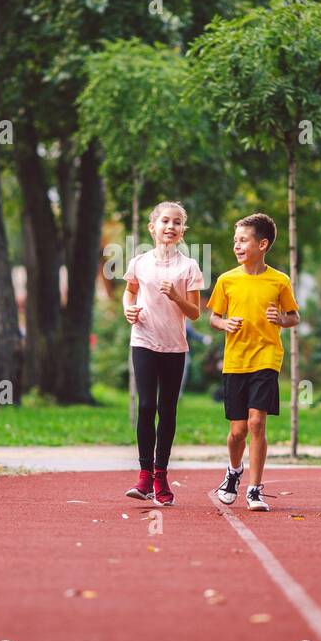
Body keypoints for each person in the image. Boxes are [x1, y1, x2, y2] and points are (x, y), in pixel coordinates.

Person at [208, 213, 300, 512]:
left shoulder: (279, 280)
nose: (237, 245)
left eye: (243, 240)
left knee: (257, 423)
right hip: (236, 361)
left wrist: (282, 319)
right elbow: (213, 317)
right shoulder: (227, 280)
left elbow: (294, 316)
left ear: (262, 244)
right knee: (238, 431)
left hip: (267, 357)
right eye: (235, 240)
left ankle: (255, 489)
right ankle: (234, 472)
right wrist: (224, 325)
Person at [121, 202, 205, 506]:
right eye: (165, 221)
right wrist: (127, 309)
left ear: (183, 231)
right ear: (152, 227)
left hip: (174, 346)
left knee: (167, 410)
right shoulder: (140, 262)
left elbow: (195, 313)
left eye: (177, 222)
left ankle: (161, 474)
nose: (171, 226)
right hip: (143, 339)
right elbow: (130, 291)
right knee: (146, 406)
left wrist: (175, 296)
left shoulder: (189, 267)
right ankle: (144, 476)